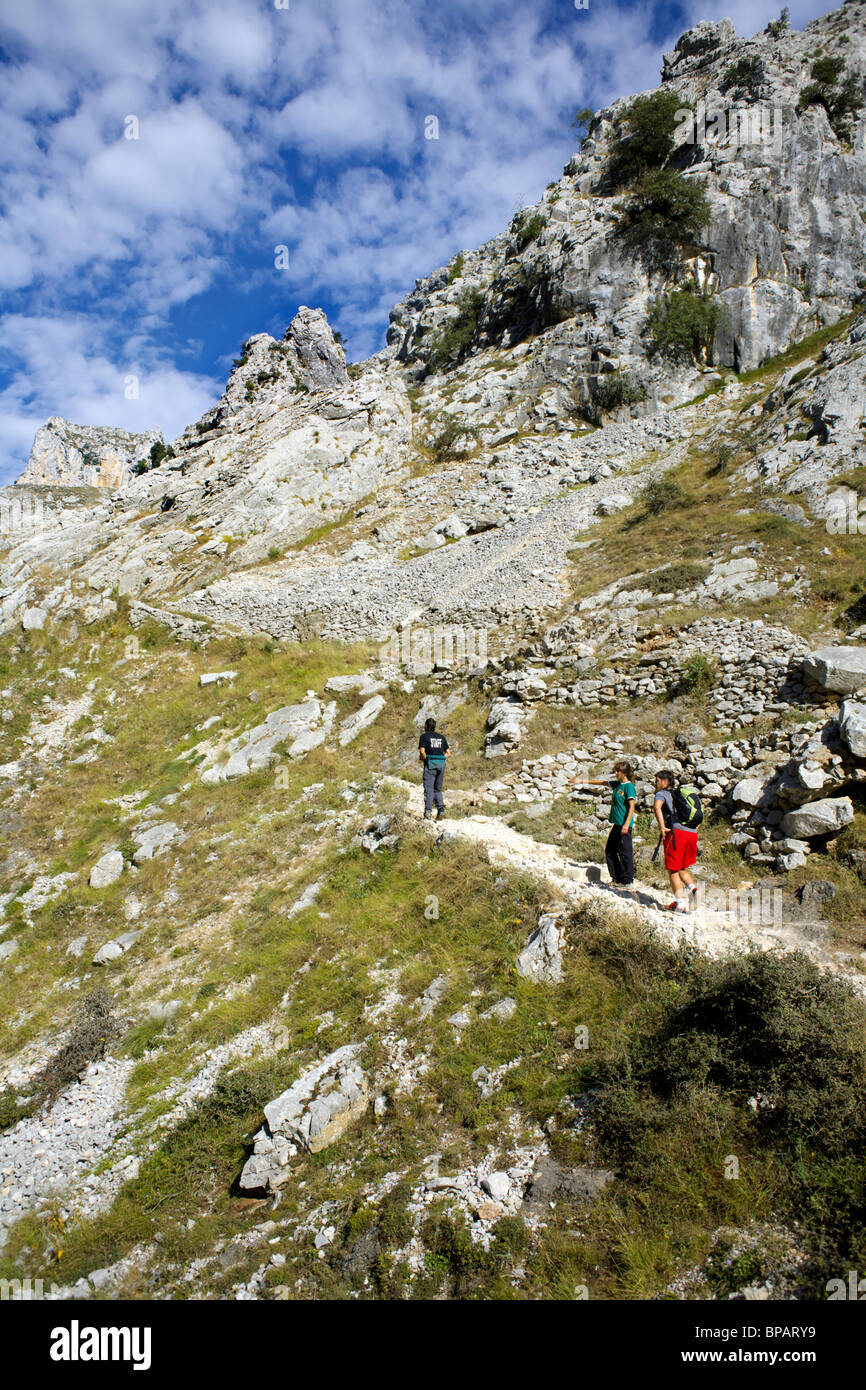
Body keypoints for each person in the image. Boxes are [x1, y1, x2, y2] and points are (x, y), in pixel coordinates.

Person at [571, 761, 636, 889]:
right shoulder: (618, 784)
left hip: (624, 825)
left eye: (618, 771)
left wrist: (626, 824)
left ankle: (628, 881)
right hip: (617, 824)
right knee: (610, 851)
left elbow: (632, 806)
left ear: (624, 773)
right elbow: (602, 783)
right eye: (616, 770)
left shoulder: (629, 787)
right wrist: (581, 781)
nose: (616, 773)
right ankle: (617, 878)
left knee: (625, 853)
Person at [653, 770, 698, 912]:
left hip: (675, 834)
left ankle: (680, 904)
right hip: (692, 833)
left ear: (665, 782)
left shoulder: (662, 794)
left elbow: (657, 807)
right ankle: (694, 889)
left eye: (657, 780)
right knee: (682, 867)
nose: (655, 783)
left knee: (672, 869)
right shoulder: (681, 795)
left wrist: (662, 827)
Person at [418, 717, 449, 820]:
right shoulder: (442, 737)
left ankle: (428, 812)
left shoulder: (424, 737)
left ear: (426, 726)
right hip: (441, 764)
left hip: (430, 764)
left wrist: (426, 759)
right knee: (437, 789)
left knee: (429, 788)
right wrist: (440, 758)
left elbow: (422, 752)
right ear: (435, 727)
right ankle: (441, 811)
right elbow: (448, 753)